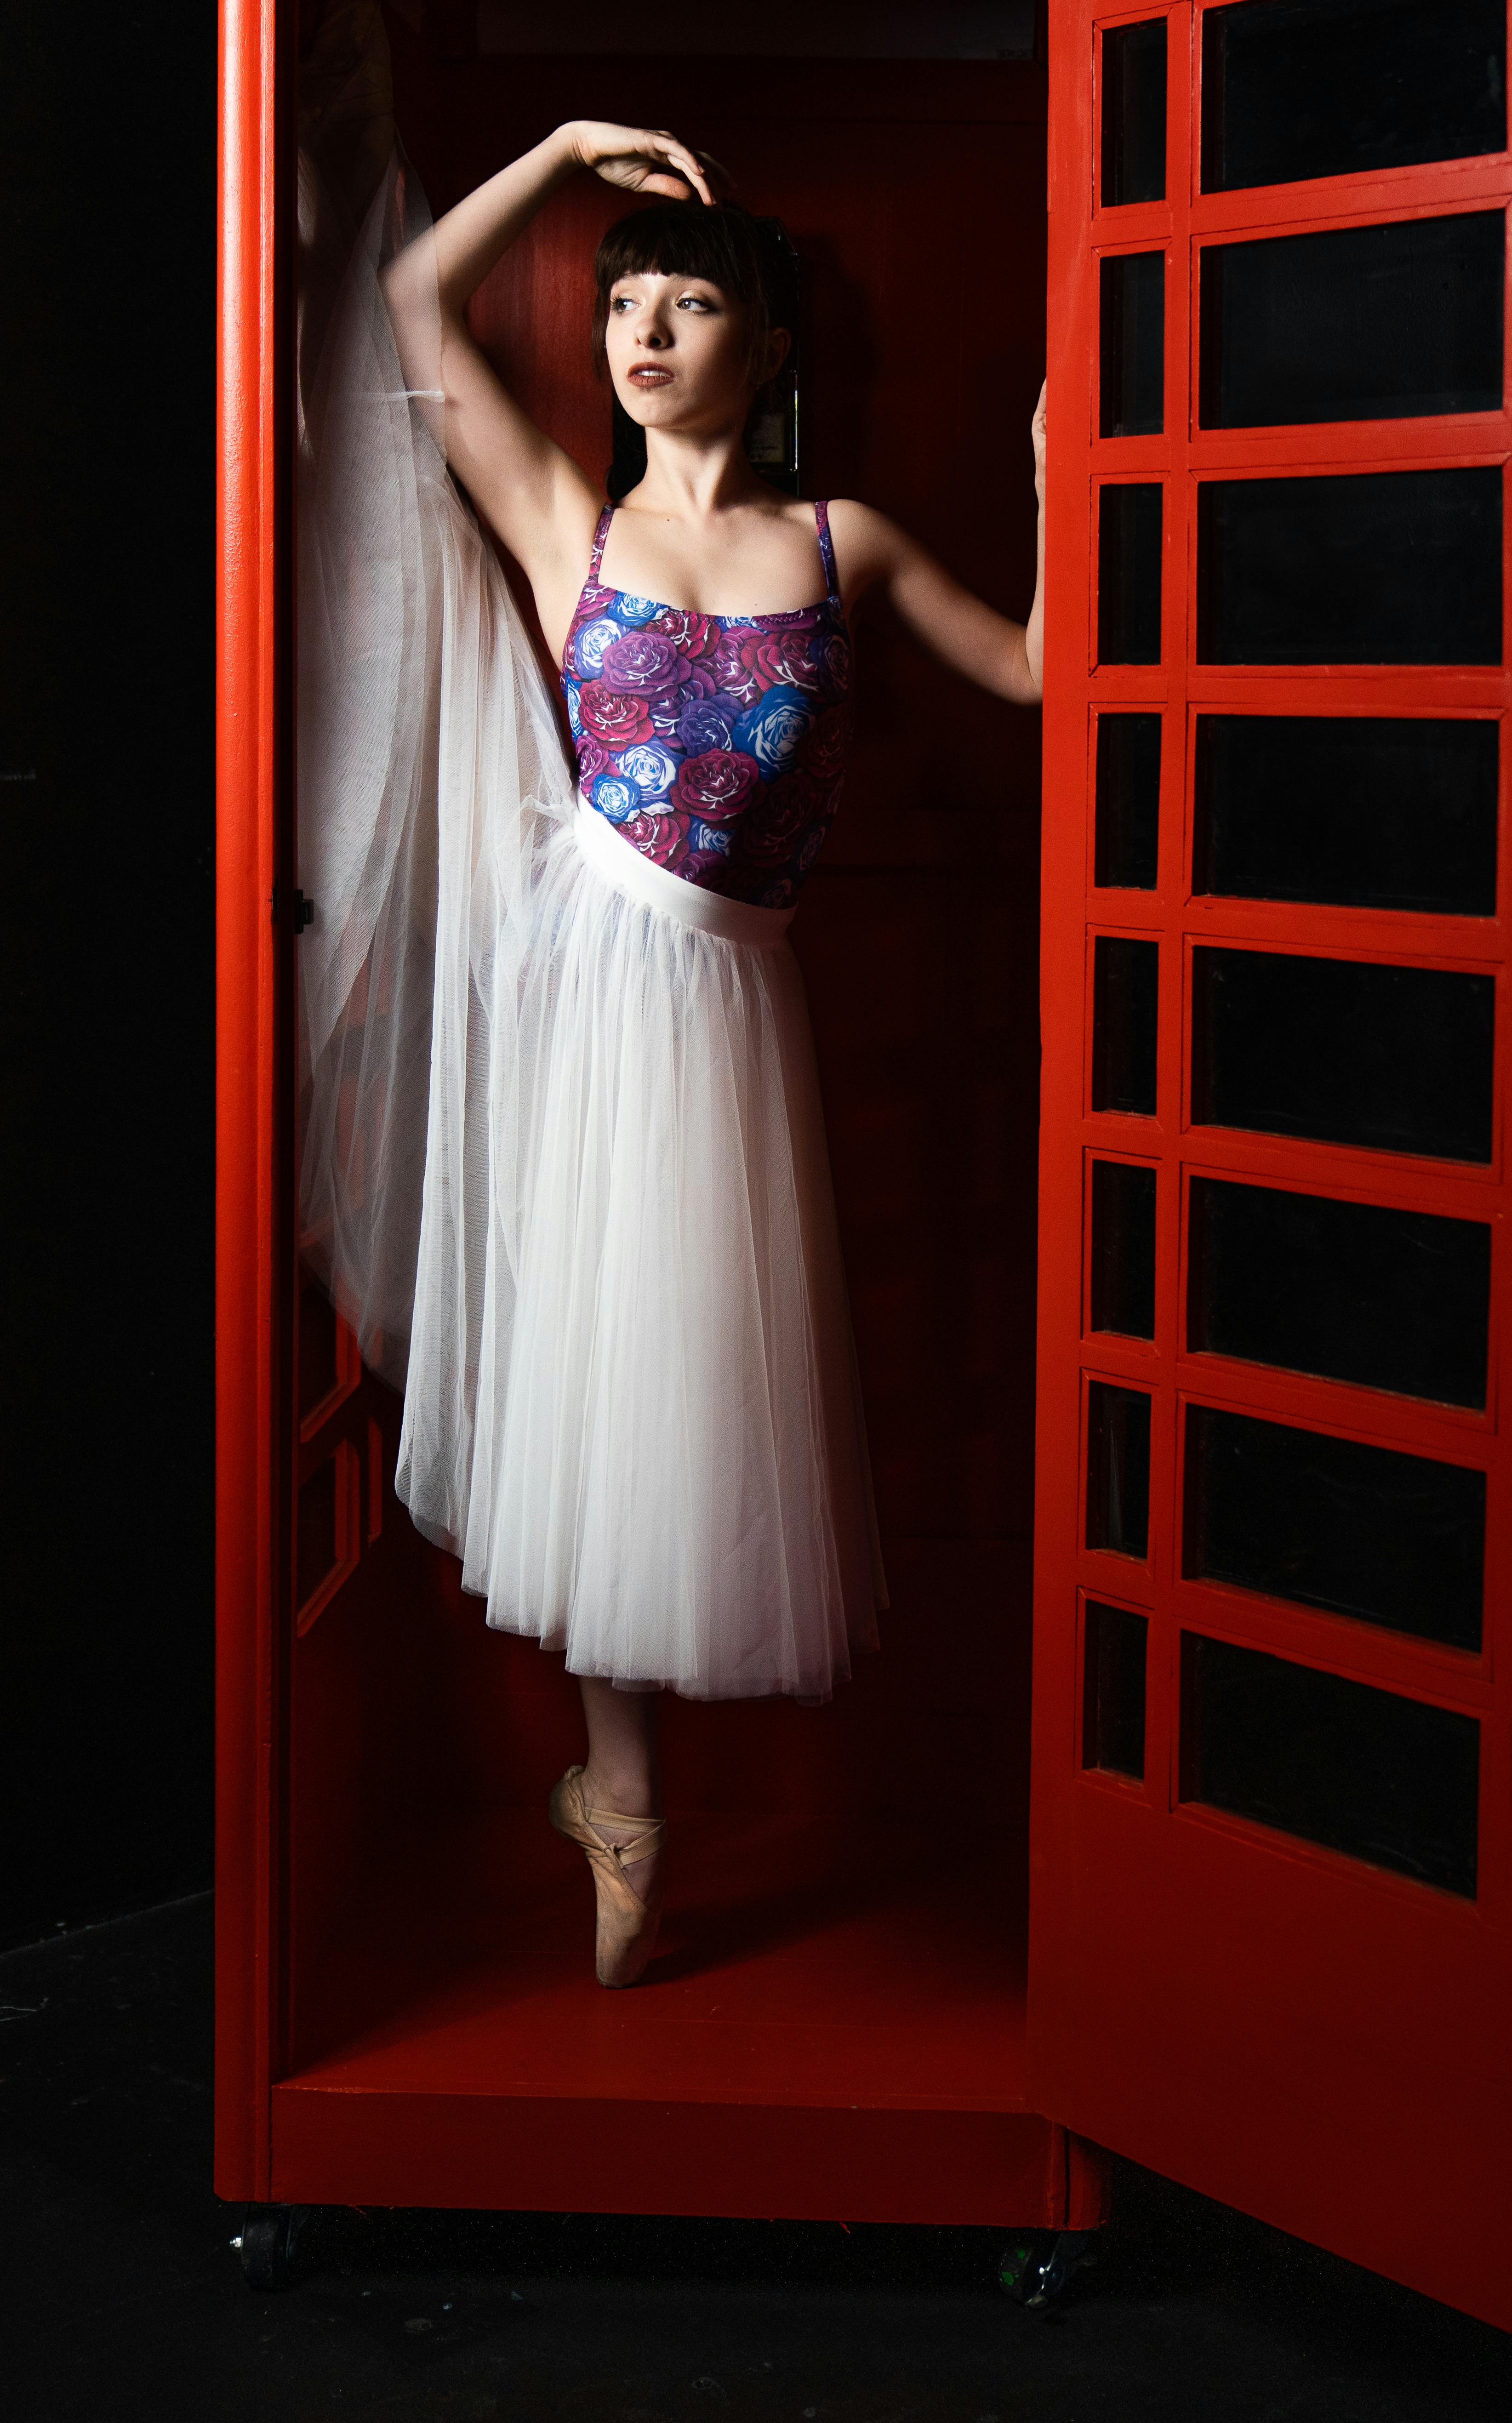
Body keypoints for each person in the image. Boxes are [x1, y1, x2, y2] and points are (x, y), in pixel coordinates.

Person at [299, 109, 1045, 1990]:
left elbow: (1045, 669)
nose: (641, 328)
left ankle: (630, 1791)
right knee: (595, 1373)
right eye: (623, 301)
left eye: (688, 301)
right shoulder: (574, 520)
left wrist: (1069, 482)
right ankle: (621, 1799)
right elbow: (409, 305)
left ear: (764, 345)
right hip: (581, 991)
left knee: (690, 1380)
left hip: (727, 1006)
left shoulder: (841, 541)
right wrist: (564, 153)